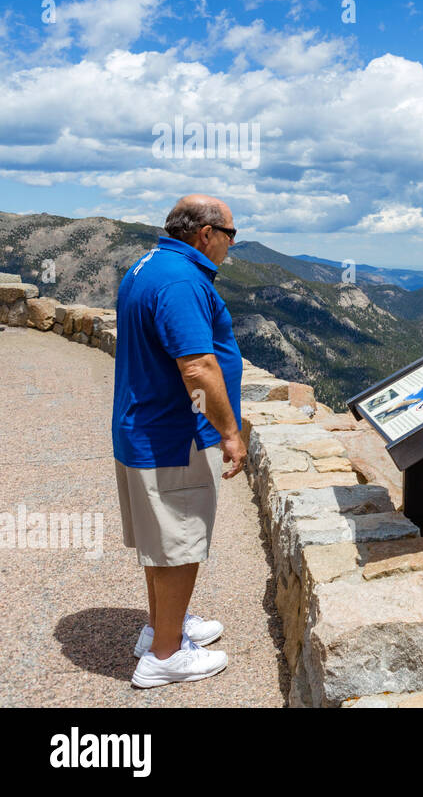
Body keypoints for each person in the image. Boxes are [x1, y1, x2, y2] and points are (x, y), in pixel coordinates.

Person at [111, 194, 247, 688]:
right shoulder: (182, 280)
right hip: (174, 436)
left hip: (143, 429)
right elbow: (197, 365)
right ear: (206, 234)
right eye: (231, 235)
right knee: (180, 541)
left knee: (162, 539)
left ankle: (159, 628)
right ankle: (165, 656)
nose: (233, 246)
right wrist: (230, 433)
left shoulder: (149, 264)